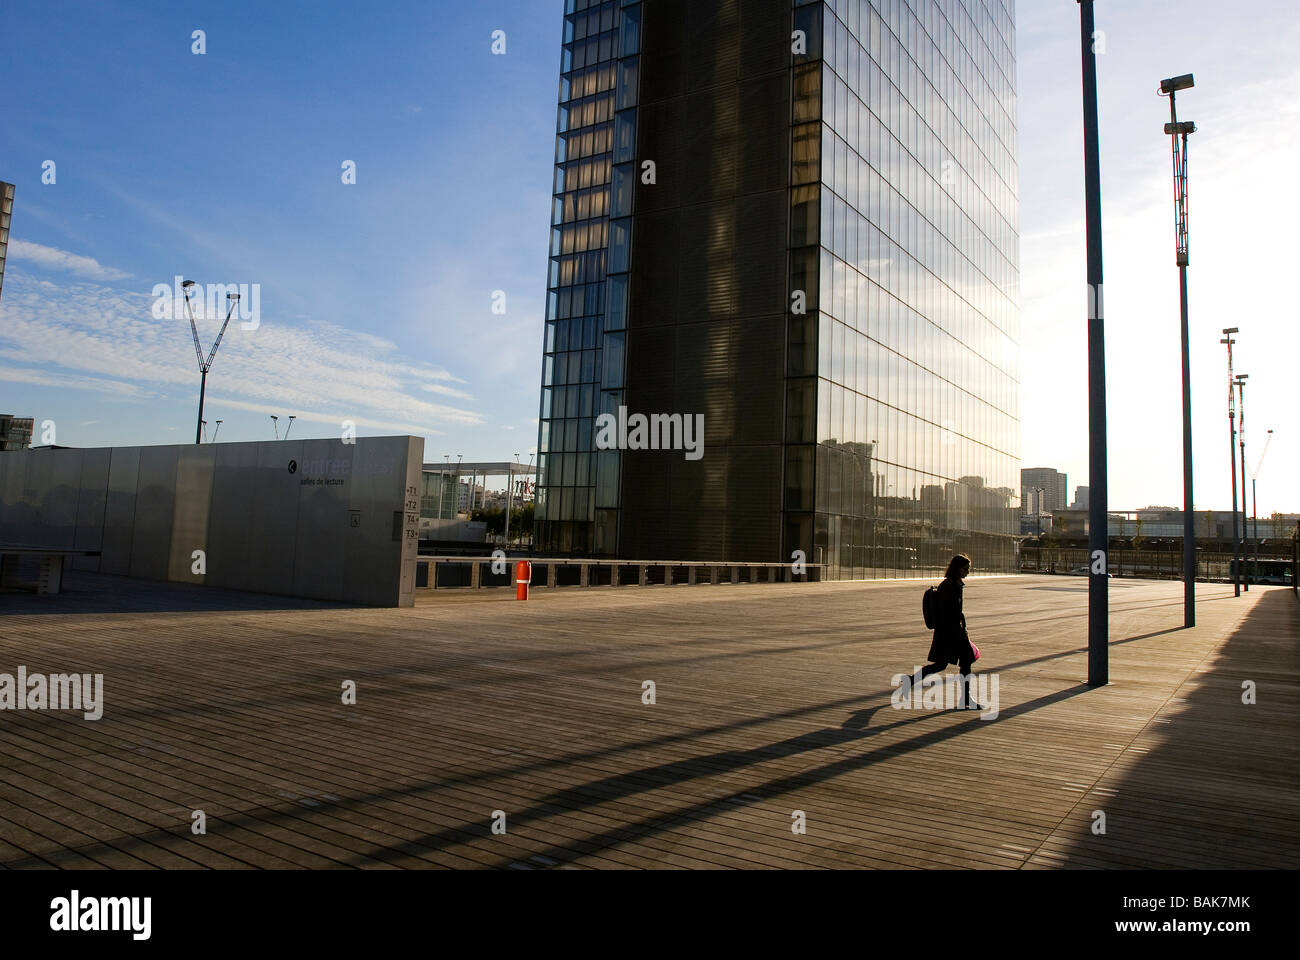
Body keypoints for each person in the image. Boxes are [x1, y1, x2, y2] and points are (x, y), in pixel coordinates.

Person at [919, 554, 981, 710]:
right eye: (965, 569)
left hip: (952, 632)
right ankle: (966, 699)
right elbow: (948, 613)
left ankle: (966, 698)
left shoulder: (955, 584)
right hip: (950, 633)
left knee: (945, 664)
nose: (967, 572)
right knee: (952, 663)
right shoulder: (948, 587)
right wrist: (960, 632)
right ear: (957, 569)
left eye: (968, 569)